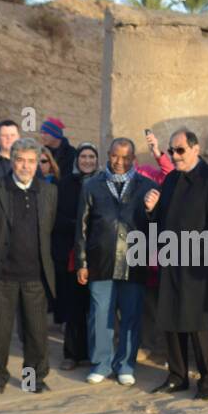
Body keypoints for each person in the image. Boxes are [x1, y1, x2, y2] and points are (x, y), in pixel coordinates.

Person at [144, 128, 208, 400]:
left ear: (195, 149)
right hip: (172, 261)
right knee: (171, 320)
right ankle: (177, 376)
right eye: (171, 150)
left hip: (199, 264)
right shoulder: (170, 180)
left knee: (200, 325)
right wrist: (151, 210)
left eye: (180, 150)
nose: (175, 155)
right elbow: (160, 220)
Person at [0, 137, 57, 394]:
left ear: (37, 165)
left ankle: (33, 380)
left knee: (36, 335)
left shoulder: (48, 192)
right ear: (12, 162)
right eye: (20, 160)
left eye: (31, 161)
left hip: (35, 277)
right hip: (2, 276)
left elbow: (49, 230)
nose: (26, 166)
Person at [77, 138, 156, 386]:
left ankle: (125, 365)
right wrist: (82, 261)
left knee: (131, 316)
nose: (119, 162)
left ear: (133, 159)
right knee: (101, 315)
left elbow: (157, 227)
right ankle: (101, 363)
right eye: (114, 156)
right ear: (108, 156)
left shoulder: (147, 186)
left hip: (133, 261)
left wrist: (153, 211)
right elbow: (81, 227)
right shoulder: (92, 185)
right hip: (100, 260)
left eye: (125, 157)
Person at [54, 142, 98, 370]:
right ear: (77, 160)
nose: (87, 161)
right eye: (84, 157)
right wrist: (79, 227)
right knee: (74, 307)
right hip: (71, 255)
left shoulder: (103, 184)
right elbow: (57, 217)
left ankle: (94, 353)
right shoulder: (66, 185)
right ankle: (72, 353)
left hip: (97, 255)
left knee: (95, 308)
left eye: (92, 157)